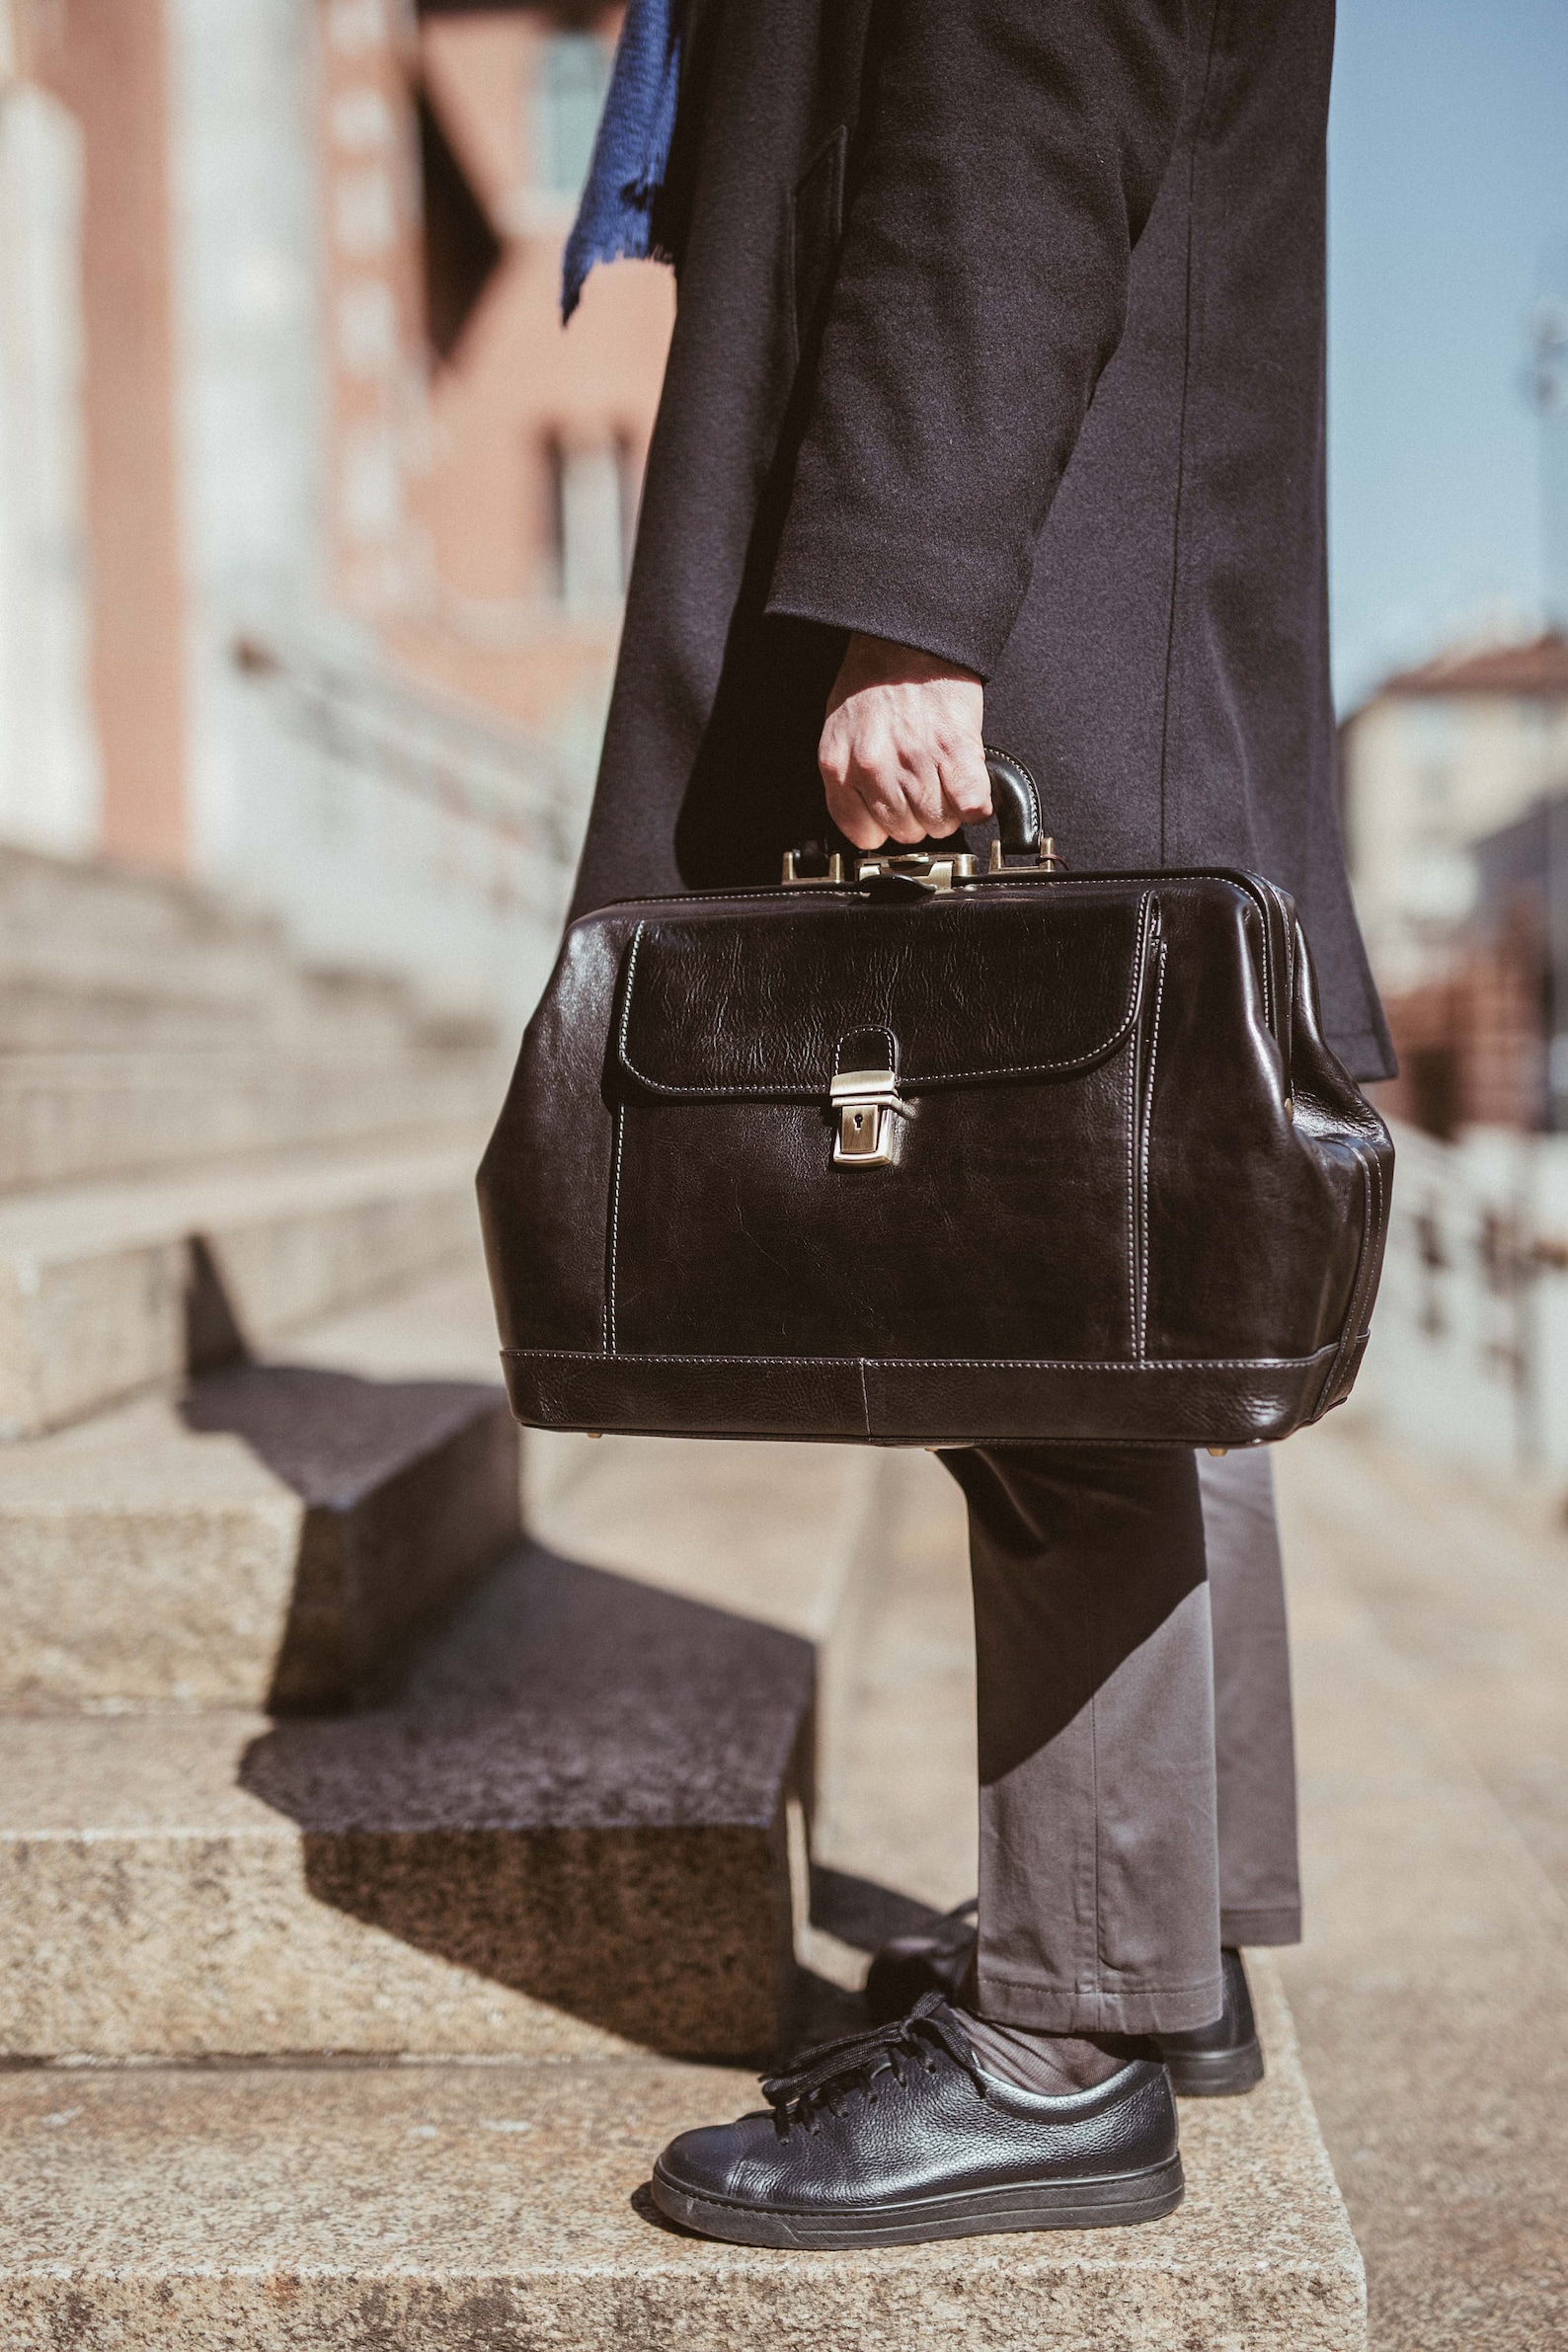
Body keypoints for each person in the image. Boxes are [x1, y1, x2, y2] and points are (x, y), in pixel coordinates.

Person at [561, 0, 1393, 2249]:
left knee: (1054, 1309)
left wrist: (912, 600)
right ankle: (1163, 1937)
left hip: (1017, 544)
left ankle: (1061, 2039)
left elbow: (1023, 74)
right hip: (1075, 519)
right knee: (1142, 1274)